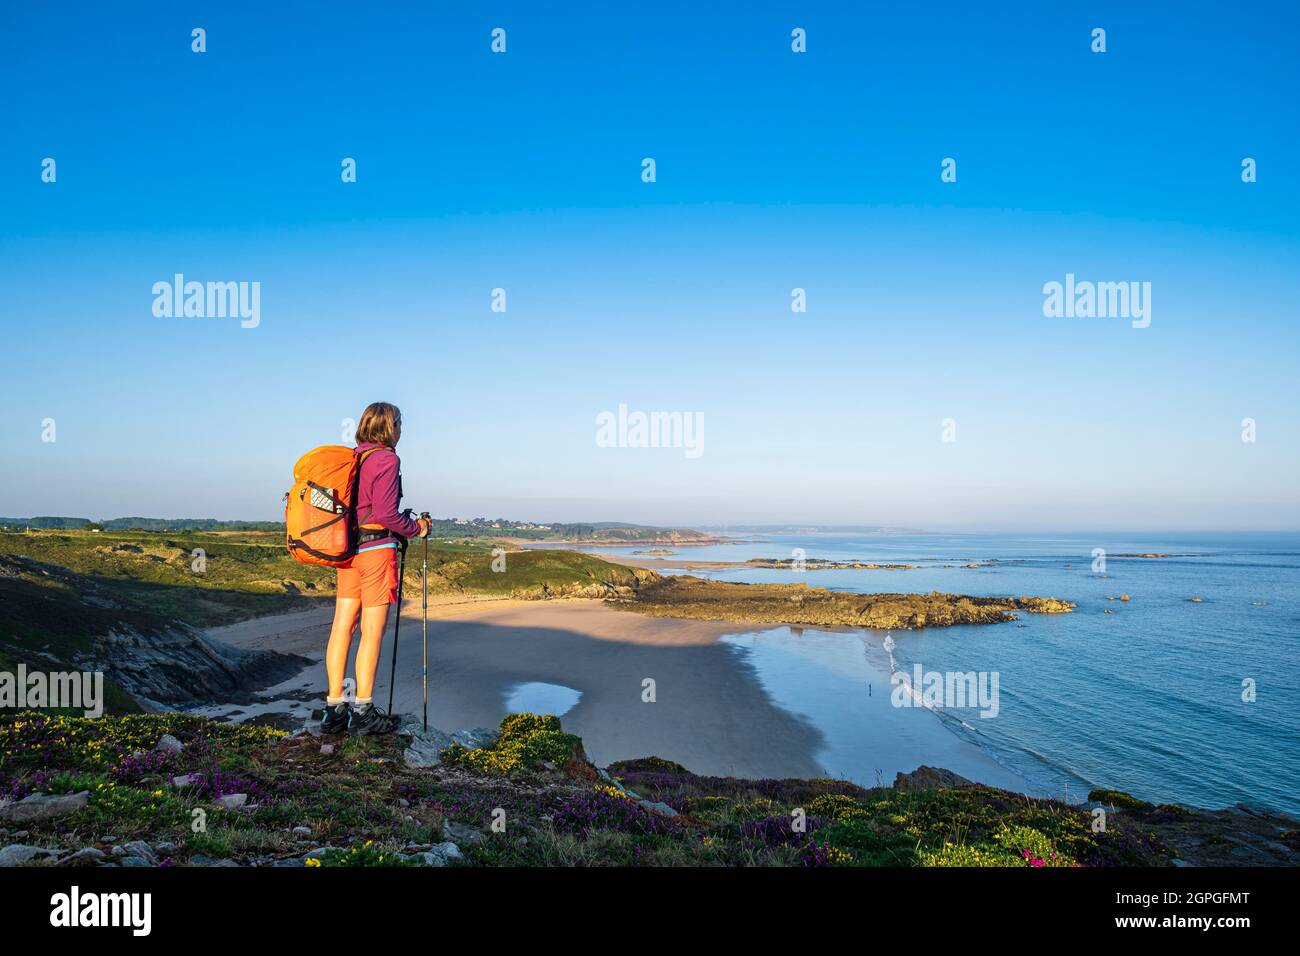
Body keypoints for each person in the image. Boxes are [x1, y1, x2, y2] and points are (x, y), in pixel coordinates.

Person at [321, 402, 429, 735]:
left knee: (342, 627)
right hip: (376, 551)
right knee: (371, 632)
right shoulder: (386, 458)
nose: (401, 429)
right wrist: (417, 528)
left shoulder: (354, 458)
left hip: (347, 552)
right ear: (390, 427)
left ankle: (334, 708)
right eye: (399, 423)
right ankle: (364, 710)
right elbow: (385, 513)